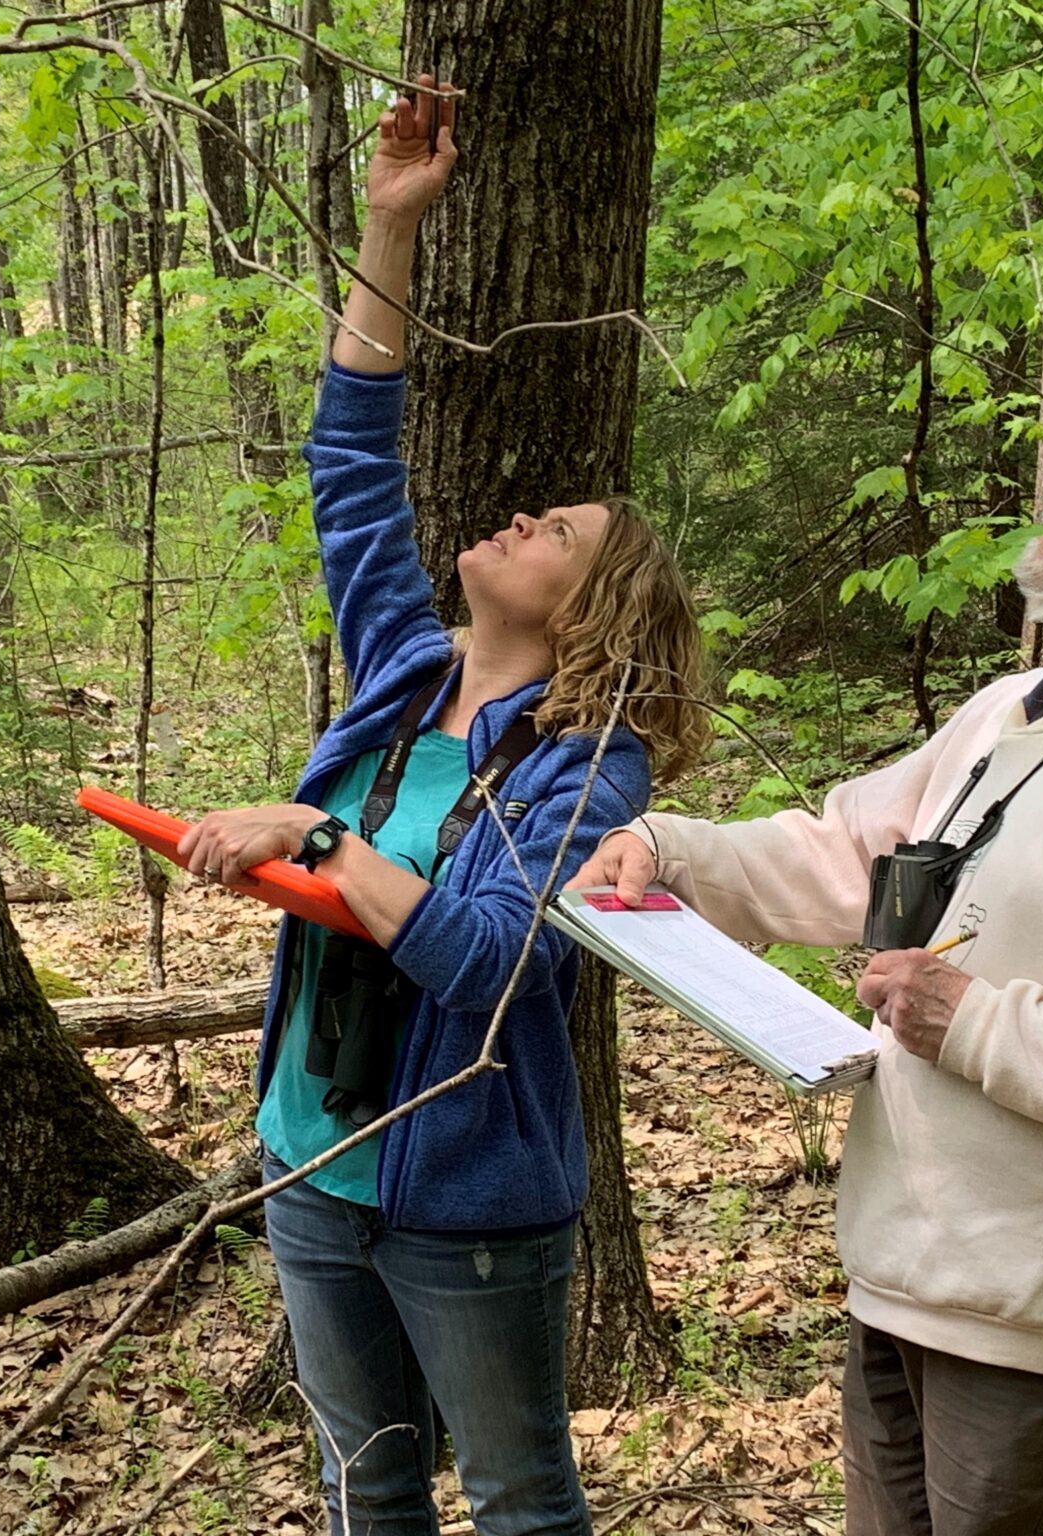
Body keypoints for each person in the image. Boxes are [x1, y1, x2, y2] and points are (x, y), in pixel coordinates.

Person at [568, 378, 1043, 1536]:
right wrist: (664, 848)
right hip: (904, 1277)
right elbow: (845, 855)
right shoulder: (1009, 711)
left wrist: (970, 1021)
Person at [176, 79, 706, 1536]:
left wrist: (316, 838)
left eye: (560, 532)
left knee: (523, 1498)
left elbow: (487, 958)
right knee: (366, 1488)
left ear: (594, 604)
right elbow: (349, 461)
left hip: (466, 1199)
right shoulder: (405, 672)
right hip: (310, 1151)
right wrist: (389, 227)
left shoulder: (587, 767)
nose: (523, 516)